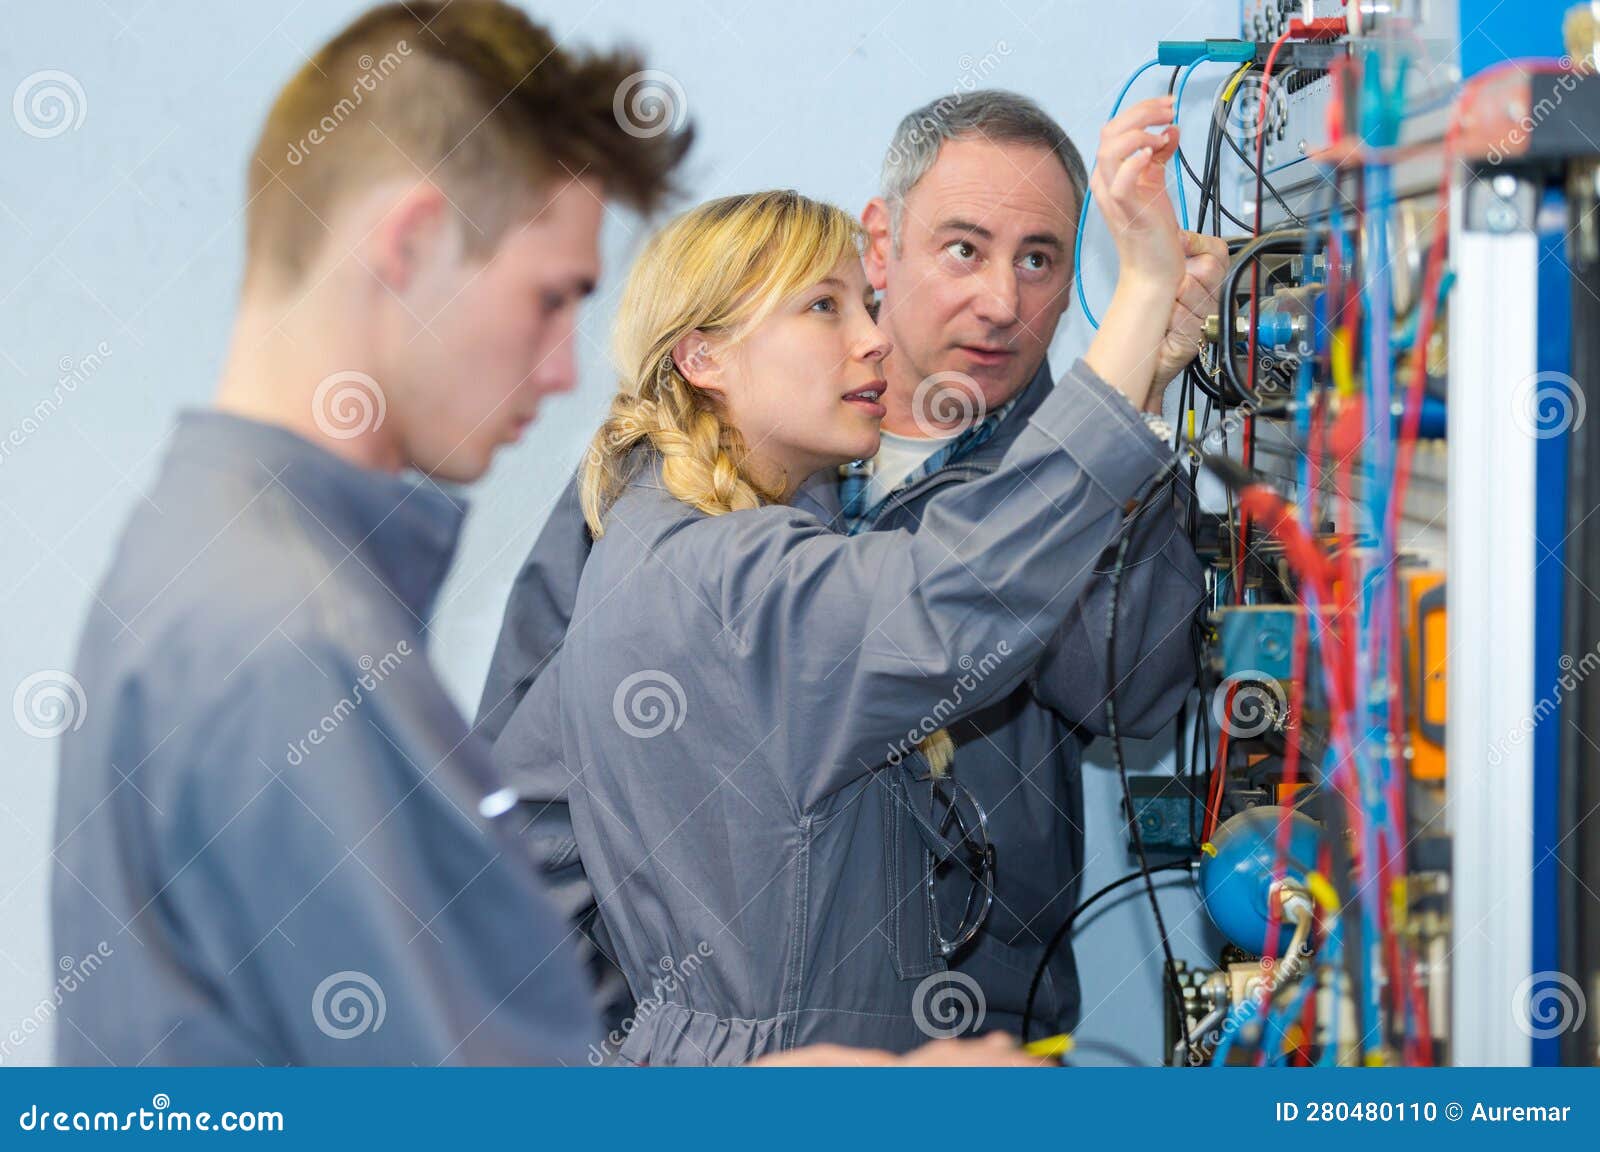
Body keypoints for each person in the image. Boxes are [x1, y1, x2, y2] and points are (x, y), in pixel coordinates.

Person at [478, 90, 1224, 1044]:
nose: (1002, 301)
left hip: (982, 1027)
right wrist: (631, 1039)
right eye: (964, 249)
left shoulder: (1065, 457)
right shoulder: (670, 507)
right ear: (885, 243)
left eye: (1039, 260)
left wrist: (1131, 407)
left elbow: (1131, 694)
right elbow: (529, 801)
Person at [48, 0, 686, 1066]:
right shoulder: (296, 641)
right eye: (550, 298)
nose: (565, 369)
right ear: (411, 239)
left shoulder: (205, 552)